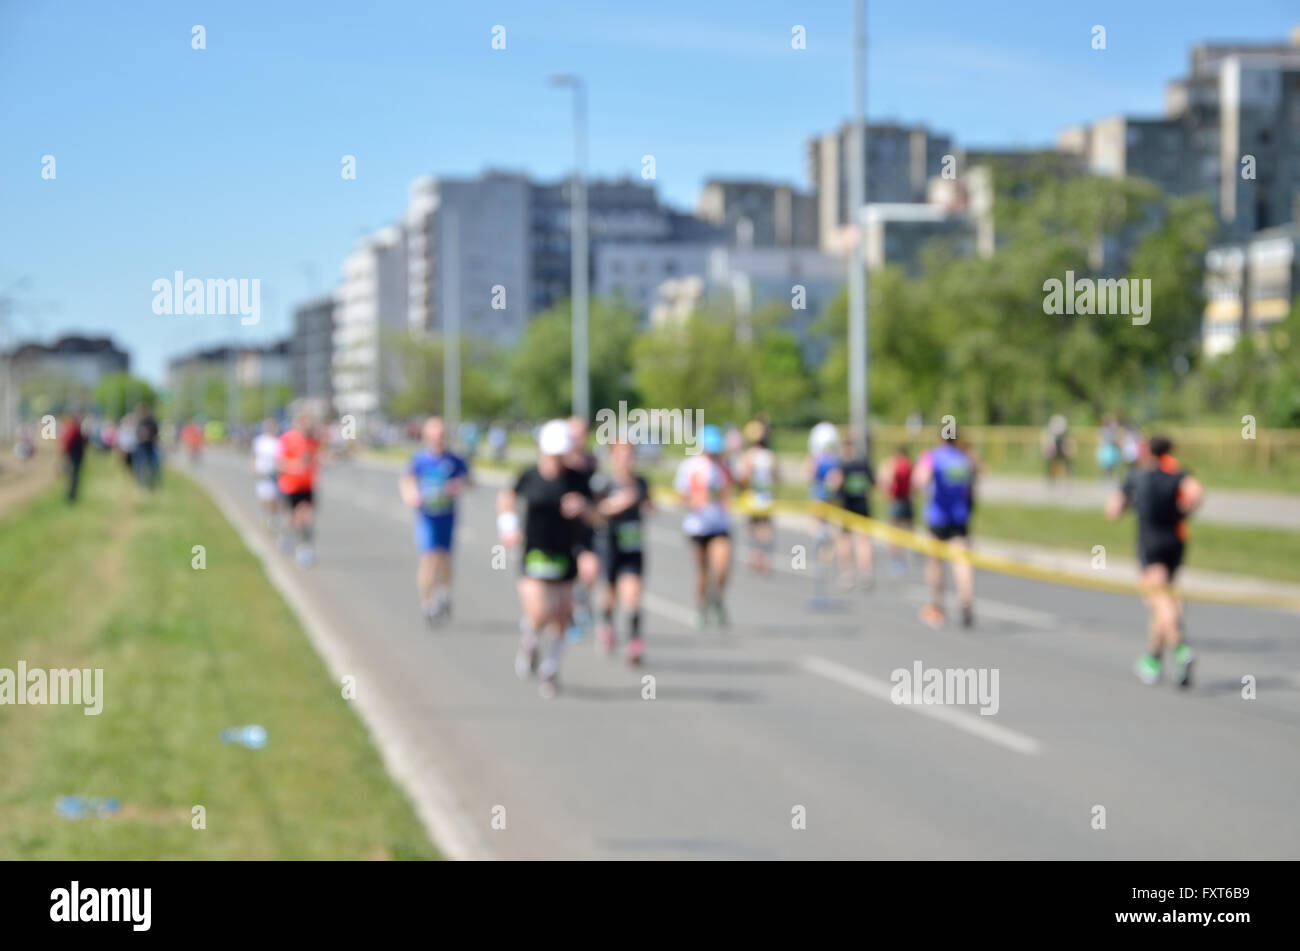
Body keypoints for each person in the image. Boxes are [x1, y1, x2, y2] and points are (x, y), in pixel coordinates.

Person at [497, 419, 596, 698]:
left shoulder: (577, 478)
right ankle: (529, 642)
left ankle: (550, 670)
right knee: (539, 614)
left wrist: (583, 507)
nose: (556, 459)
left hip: (565, 555)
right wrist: (508, 526)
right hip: (535, 555)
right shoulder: (529, 476)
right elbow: (507, 498)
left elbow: (596, 515)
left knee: (563, 617)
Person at [1105, 436, 1204, 687]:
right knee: (1166, 597)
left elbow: (1113, 511)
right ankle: (1153, 660)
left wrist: (1129, 505)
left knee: (1159, 600)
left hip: (1151, 545)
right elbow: (1196, 493)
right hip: (1175, 542)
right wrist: (1182, 512)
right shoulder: (1177, 473)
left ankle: (1181, 648)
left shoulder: (1138, 476)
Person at [399, 416, 470, 625]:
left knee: (445, 558)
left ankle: (444, 593)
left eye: (441, 435)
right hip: (426, 517)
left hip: (447, 516)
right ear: (427, 437)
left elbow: (469, 481)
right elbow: (407, 481)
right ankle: (427, 602)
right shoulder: (420, 460)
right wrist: (411, 495)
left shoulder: (454, 460)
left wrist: (459, 486)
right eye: (434, 435)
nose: (438, 439)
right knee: (429, 558)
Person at [593, 440, 652, 664]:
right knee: (609, 594)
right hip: (609, 543)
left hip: (633, 545)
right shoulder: (603, 483)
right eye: (621, 454)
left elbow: (648, 504)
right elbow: (594, 513)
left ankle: (635, 641)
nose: (626, 458)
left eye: (630, 454)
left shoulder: (641, 482)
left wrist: (647, 506)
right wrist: (615, 505)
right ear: (613, 456)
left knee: (633, 594)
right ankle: (606, 625)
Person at [912, 429, 978, 629]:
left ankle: (937, 605)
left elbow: (919, 481)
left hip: (938, 517)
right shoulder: (964, 459)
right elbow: (971, 489)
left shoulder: (932, 457)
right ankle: (966, 601)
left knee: (935, 563)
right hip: (960, 516)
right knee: (961, 561)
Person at [674, 424, 733, 628]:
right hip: (697, 527)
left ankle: (717, 597)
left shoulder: (724, 467)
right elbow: (680, 496)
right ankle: (701, 607)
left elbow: (735, 487)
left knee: (722, 567)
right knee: (702, 572)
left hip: (719, 525)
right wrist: (694, 499)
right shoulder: (690, 466)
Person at [563, 415, 601, 641]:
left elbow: (595, 496)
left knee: (590, 570)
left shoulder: (591, 463)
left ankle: (579, 604)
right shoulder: (559, 462)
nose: (578, 438)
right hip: (559, 531)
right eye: (574, 434)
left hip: (584, 527)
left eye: (582, 433)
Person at [828, 431, 876, 590]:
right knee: (864, 541)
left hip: (846, 508)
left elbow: (835, 483)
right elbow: (873, 484)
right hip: (863, 506)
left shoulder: (843, 464)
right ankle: (866, 574)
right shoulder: (864, 463)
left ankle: (848, 574)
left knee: (844, 540)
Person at [277, 411, 322, 567]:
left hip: (307, 486)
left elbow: (317, 458)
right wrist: (294, 466)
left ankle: (305, 549)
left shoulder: (313, 441)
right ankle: (286, 536)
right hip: (290, 485)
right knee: (292, 519)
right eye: (305, 422)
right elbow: (279, 462)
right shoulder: (288, 439)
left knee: (306, 517)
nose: (308, 426)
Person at [735, 419, 779, 575]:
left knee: (752, 528)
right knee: (766, 529)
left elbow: (742, 478)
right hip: (767, 498)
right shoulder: (770, 456)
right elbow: (777, 477)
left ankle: (755, 557)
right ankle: (765, 558)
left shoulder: (748, 456)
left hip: (752, 498)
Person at [805, 420, 841, 572]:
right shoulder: (835, 460)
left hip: (819, 494)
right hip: (829, 495)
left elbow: (808, 474)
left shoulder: (816, 459)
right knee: (830, 524)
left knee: (818, 523)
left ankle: (822, 550)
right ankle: (826, 551)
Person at [877, 444, 915, 576]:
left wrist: (885, 492)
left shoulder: (893, 464)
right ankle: (910, 552)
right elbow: (914, 484)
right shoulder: (909, 464)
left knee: (893, 532)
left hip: (896, 500)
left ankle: (897, 559)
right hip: (907, 500)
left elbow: (888, 480)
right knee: (909, 528)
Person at [250, 419, 281, 529]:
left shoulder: (278, 442)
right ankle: (266, 516)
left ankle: (273, 518)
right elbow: (254, 455)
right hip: (262, 474)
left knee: (273, 497)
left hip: (273, 474)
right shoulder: (260, 441)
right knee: (264, 497)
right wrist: (253, 467)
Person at [132, 403, 161, 490]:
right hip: (140, 447)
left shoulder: (152, 422)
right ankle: (140, 483)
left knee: (153, 467)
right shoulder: (139, 422)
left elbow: (157, 435)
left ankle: (151, 484)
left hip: (150, 447)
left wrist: (150, 438)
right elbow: (136, 434)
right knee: (139, 466)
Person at [62, 413, 87, 503]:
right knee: (73, 477)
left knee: (73, 477)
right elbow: (68, 443)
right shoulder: (74, 429)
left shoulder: (73, 429)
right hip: (74, 456)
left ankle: (72, 496)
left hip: (74, 456)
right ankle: (71, 497)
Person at [1041, 414, 1073, 483]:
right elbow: (1048, 442)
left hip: (1060, 449)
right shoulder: (1051, 433)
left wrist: (1067, 449)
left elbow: (1067, 442)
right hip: (1054, 450)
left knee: (1067, 462)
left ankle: (1067, 477)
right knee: (1050, 463)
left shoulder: (1064, 434)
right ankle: (1051, 478)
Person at [117, 410, 137, 475]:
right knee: (125, 464)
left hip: (132, 449)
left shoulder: (132, 429)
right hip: (125, 449)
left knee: (131, 464)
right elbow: (121, 440)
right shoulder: (123, 429)